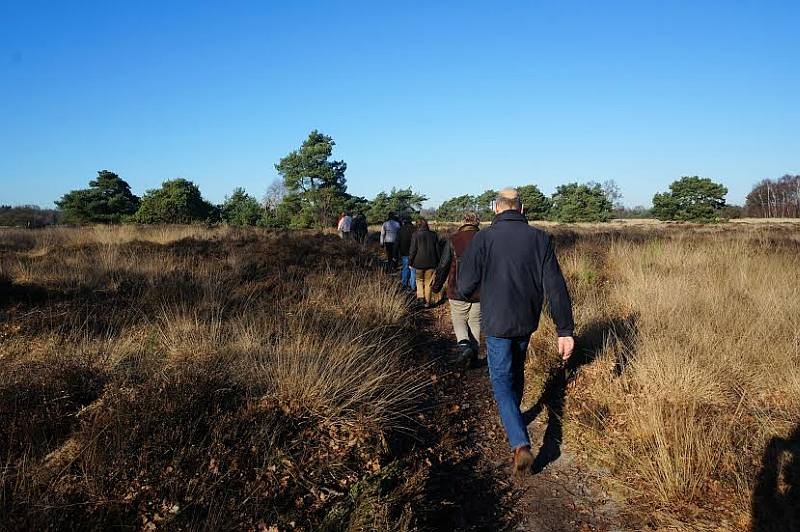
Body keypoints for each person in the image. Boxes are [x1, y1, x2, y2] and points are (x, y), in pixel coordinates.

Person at [458, 188, 575, 476]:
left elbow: (464, 284)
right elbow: (555, 286)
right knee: (517, 369)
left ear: (496, 209)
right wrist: (564, 329)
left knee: (500, 379)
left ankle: (519, 442)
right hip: (525, 320)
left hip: (496, 321)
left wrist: (476, 290)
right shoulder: (539, 238)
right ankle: (515, 418)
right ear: (521, 210)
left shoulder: (483, 238)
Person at [432, 211, 481, 367]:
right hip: (480, 291)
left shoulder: (453, 239)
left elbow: (443, 265)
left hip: (456, 289)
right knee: (475, 322)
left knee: (459, 319)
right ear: (477, 222)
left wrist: (437, 286)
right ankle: (473, 356)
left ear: (463, 221)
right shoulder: (485, 239)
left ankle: (464, 346)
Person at [409, 218, 440, 307]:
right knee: (428, 283)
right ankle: (427, 303)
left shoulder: (415, 235)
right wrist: (438, 262)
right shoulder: (434, 235)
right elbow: (437, 250)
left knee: (419, 281)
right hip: (431, 263)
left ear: (417, 225)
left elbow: (413, 250)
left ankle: (420, 298)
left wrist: (410, 262)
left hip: (418, 263)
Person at [397, 217, 417, 291]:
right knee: (413, 269)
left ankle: (404, 283)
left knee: (405, 268)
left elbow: (397, 242)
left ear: (404, 222)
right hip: (414, 253)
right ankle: (413, 285)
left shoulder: (401, 230)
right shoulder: (415, 230)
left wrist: (395, 253)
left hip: (404, 252)